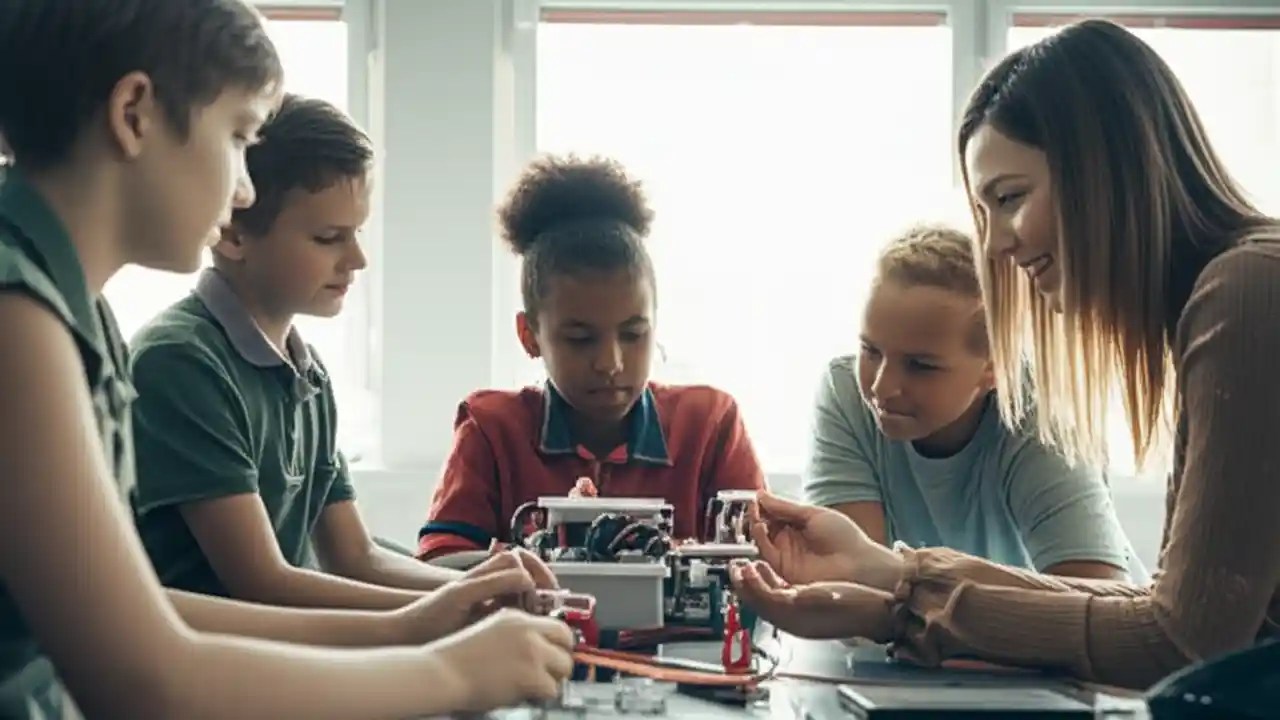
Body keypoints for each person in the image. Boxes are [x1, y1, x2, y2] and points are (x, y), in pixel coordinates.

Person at [0, 2, 572, 717]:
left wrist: (415, 626)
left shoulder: (77, 316)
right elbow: (143, 679)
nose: (243, 189)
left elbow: (143, 614)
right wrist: (449, 672)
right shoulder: (18, 316)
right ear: (135, 113)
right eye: (238, 136)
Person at [730, 18, 1280, 691]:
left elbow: (1180, 642)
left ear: (1106, 170)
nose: (994, 246)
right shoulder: (1231, 294)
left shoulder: (1247, 293)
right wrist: (897, 575)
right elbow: (1167, 612)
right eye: (983, 212)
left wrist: (902, 608)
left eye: (1011, 198)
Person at [128, 93, 556, 616]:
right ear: (233, 233)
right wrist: (458, 604)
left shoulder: (308, 375)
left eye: (356, 233)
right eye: (329, 237)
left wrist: (486, 582)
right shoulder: (181, 363)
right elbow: (261, 582)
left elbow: (356, 556)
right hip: (207, 653)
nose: (357, 259)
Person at [419, 155, 767, 560]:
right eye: (580, 339)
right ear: (529, 336)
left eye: (633, 334)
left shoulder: (709, 425)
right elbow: (440, 562)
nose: (610, 363)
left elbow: (764, 558)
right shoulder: (492, 430)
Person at [805, 224, 1133, 578]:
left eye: (920, 366)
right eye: (871, 351)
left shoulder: (1043, 419)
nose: (882, 388)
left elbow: (1097, 594)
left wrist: (910, 583)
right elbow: (853, 579)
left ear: (995, 367)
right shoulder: (846, 393)